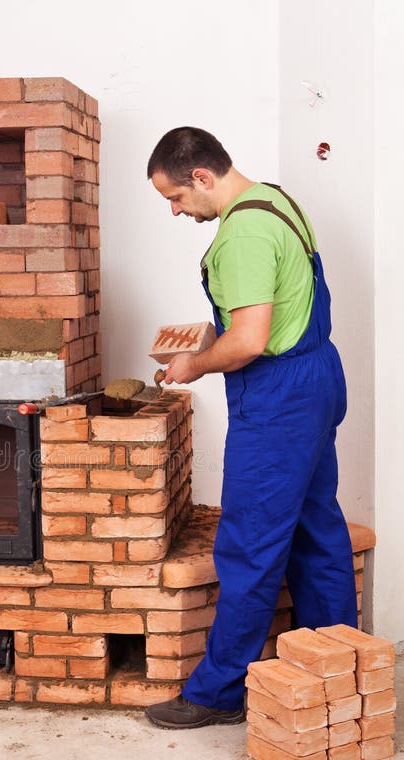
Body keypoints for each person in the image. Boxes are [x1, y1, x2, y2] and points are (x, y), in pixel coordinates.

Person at [144, 126, 357, 729]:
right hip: (316, 376)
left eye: (177, 198)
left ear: (202, 178)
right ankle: (336, 668)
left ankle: (217, 692)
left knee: (250, 545)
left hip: (279, 396)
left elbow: (250, 342)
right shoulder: (276, 199)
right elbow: (275, 311)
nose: (175, 210)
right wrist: (211, 336)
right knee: (317, 529)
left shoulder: (240, 233)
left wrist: (194, 364)